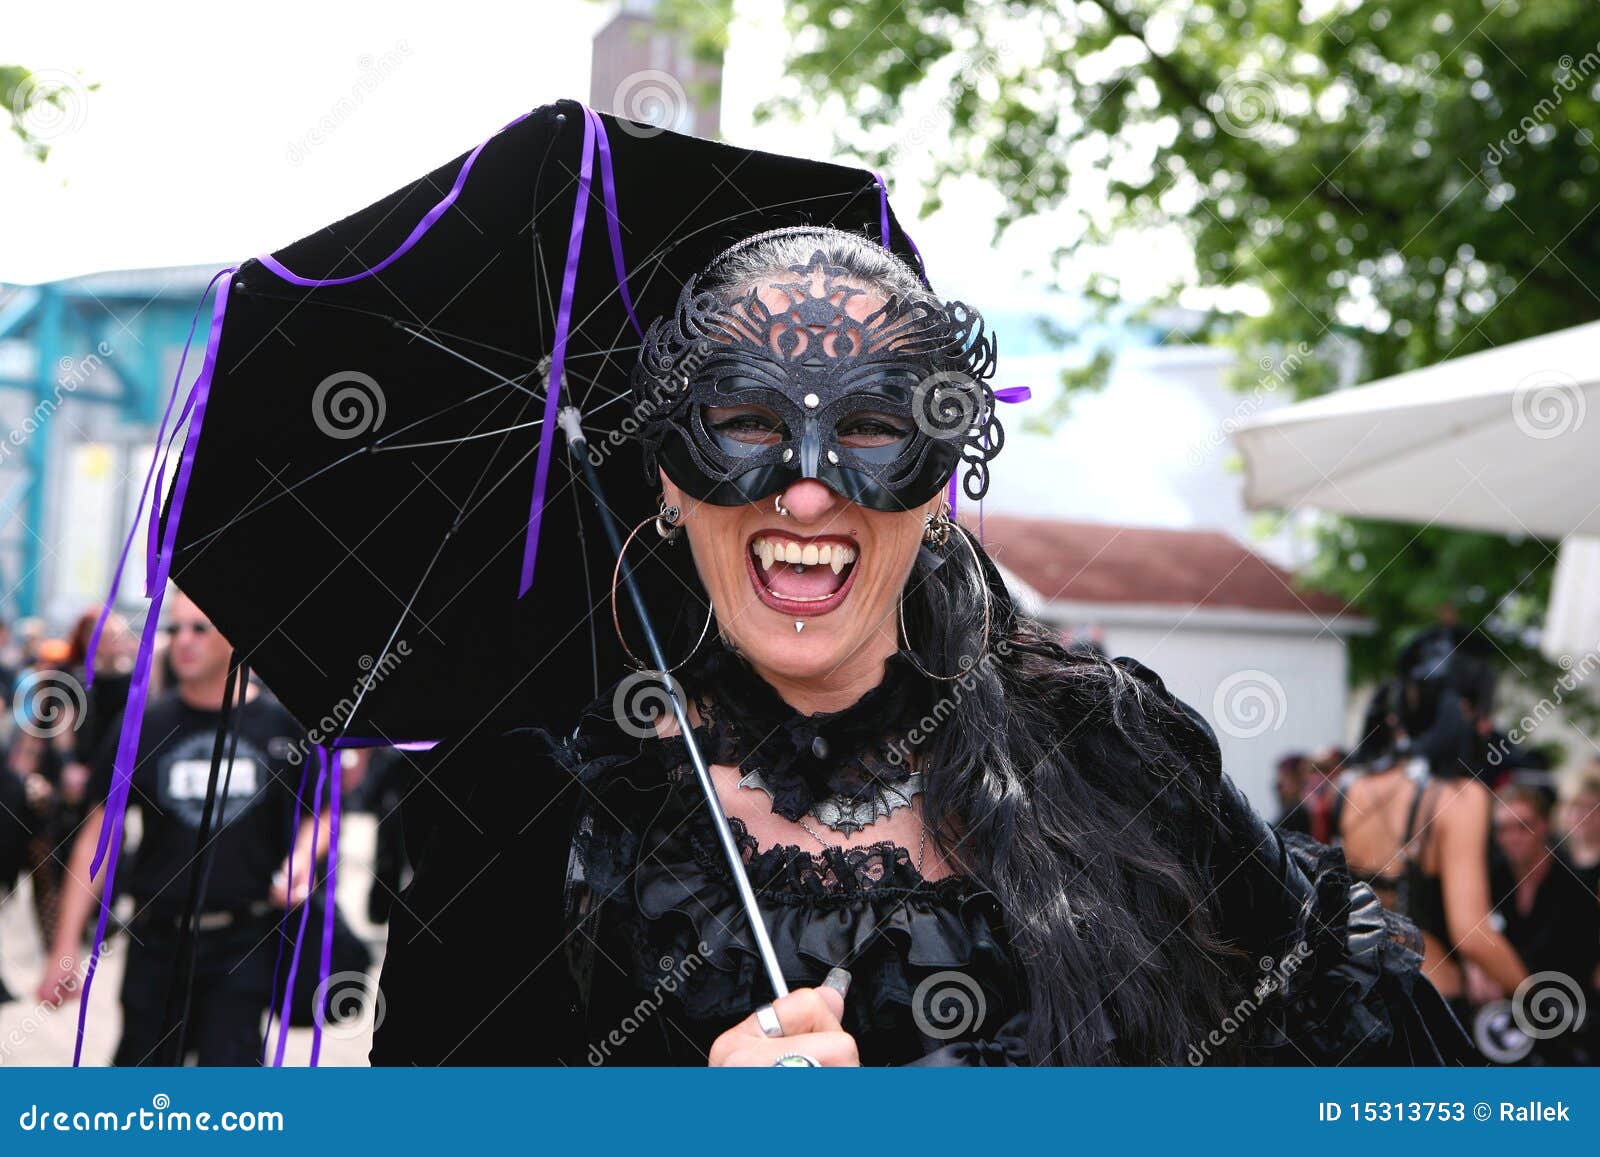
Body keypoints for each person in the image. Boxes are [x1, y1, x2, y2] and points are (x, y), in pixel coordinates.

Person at [373, 225, 1471, 1066]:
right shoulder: (540, 805)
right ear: (665, 474)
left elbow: (1365, 1061)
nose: (806, 486)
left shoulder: (1108, 750)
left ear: (939, 480)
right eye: (749, 422)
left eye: (868, 426)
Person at [36, 589, 325, 1065]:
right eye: (174, 629)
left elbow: (323, 811)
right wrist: (65, 949)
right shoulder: (143, 727)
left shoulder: (281, 725)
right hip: (157, 942)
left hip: (244, 942)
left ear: (235, 637)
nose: (182, 641)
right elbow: (97, 838)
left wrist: (300, 858)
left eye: (199, 629)